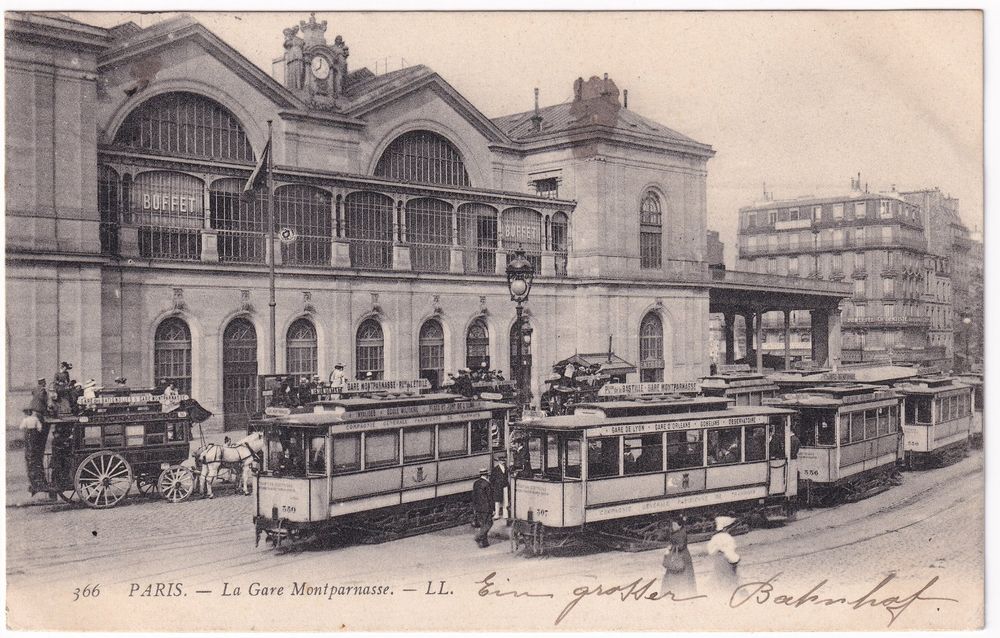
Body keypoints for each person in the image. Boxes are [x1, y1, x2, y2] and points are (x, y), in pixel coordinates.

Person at [660, 518, 697, 598]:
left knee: (677, 571)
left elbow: (681, 546)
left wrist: (671, 547)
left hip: (680, 556)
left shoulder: (680, 533)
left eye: (674, 525)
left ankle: (677, 591)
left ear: (679, 526)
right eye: (672, 525)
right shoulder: (680, 532)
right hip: (682, 555)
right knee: (683, 573)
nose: (673, 526)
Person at [705, 516, 741, 596]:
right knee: (730, 579)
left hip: (718, 560)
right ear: (725, 529)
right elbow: (731, 550)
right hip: (727, 560)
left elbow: (710, 550)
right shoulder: (728, 537)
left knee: (719, 578)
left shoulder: (714, 538)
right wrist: (736, 560)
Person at [19, 408, 47, 496]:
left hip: (28, 434)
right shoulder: (35, 419)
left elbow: (21, 427)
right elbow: (40, 427)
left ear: (26, 413)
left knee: (30, 448)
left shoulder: (25, 420)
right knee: (35, 447)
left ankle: (31, 453)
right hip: (35, 433)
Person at [472, 468, 494, 548]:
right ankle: (479, 537)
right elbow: (490, 498)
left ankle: (484, 543)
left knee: (482, 524)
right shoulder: (487, 484)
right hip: (486, 508)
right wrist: (493, 509)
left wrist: (474, 507)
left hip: (478, 508)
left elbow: (474, 496)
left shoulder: (476, 483)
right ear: (487, 475)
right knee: (488, 524)